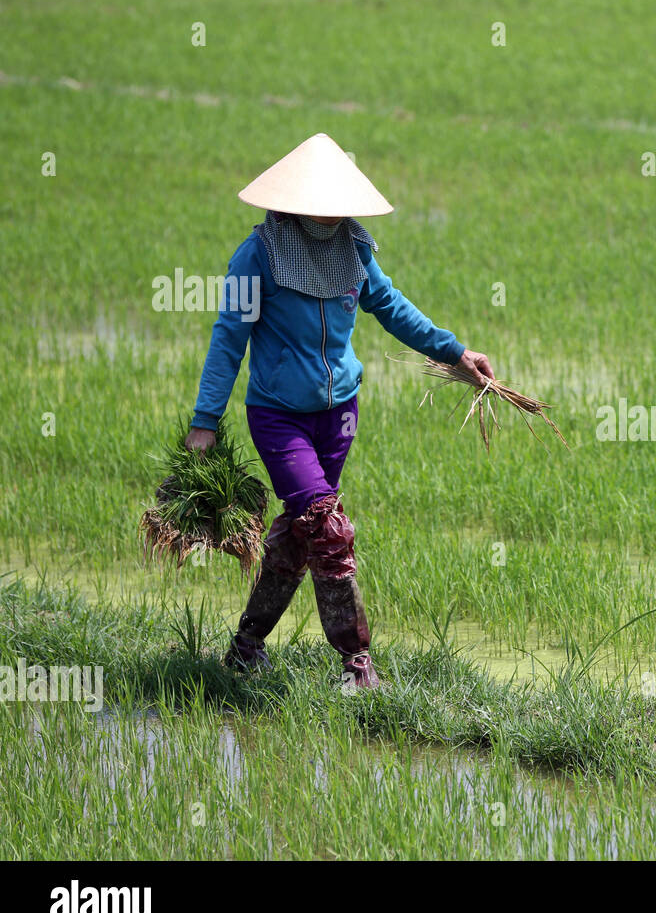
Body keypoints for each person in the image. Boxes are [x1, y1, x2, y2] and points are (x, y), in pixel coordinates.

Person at [186, 133, 494, 688]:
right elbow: (229, 338)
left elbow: (392, 307)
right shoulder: (258, 255)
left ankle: (245, 648)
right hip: (279, 417)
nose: (335, 212)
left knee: (302, 531)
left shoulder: (354, 249)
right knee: (329, 529)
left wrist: (455, 352)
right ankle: (357, 664)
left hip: (340, 415)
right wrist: (205, 421)